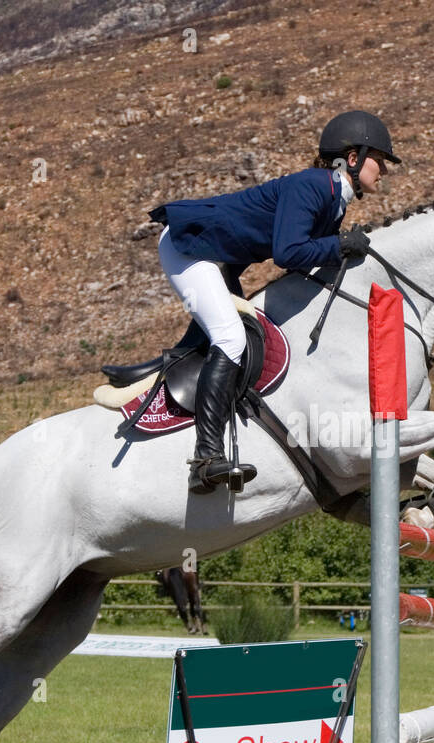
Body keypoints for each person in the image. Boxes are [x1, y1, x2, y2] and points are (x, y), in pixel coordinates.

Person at [145, 110, 401, 494]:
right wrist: (339, 244)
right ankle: (205, 459)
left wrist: (339, 248)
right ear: (352, 158)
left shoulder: (334, 199)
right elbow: (288, 252)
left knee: (238, 333)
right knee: (231, 339)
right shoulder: (313, 186)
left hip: (221, 260)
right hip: (190, 248)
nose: (384, 169)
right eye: (379, 159)